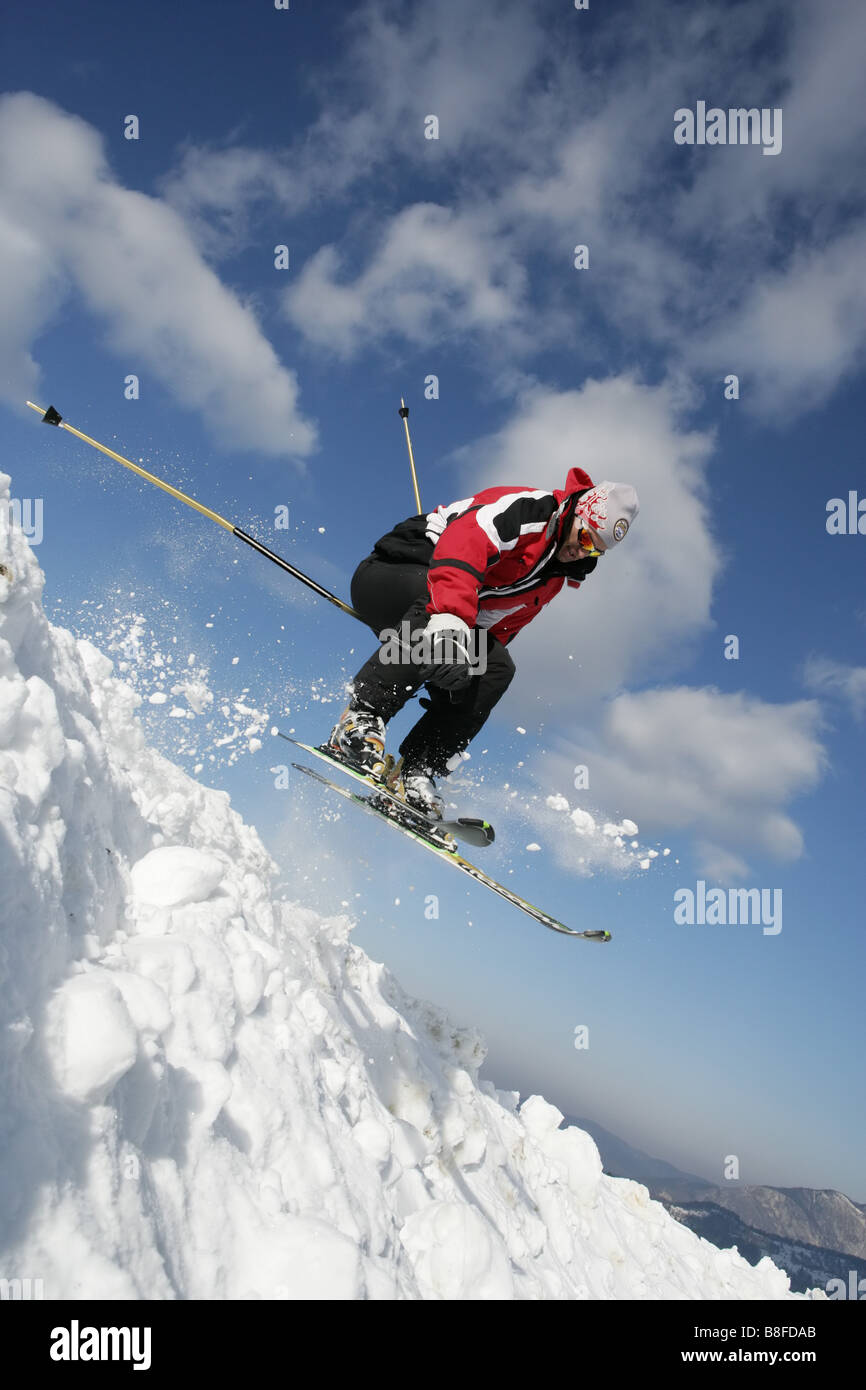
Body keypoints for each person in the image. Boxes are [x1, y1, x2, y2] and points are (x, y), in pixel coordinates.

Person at [327, 471, 639, 817]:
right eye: (584, 535)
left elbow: (497, 632)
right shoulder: (530, 512)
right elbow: (465, 544)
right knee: (435, 603)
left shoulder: (551, 581)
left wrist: (458, 676)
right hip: (392, 575)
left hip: (430, 619)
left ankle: (417, 771)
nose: (583, 550)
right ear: (578, 513)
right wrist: (449, 623)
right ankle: (361, 717)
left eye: (596, 547)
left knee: (497, 668)